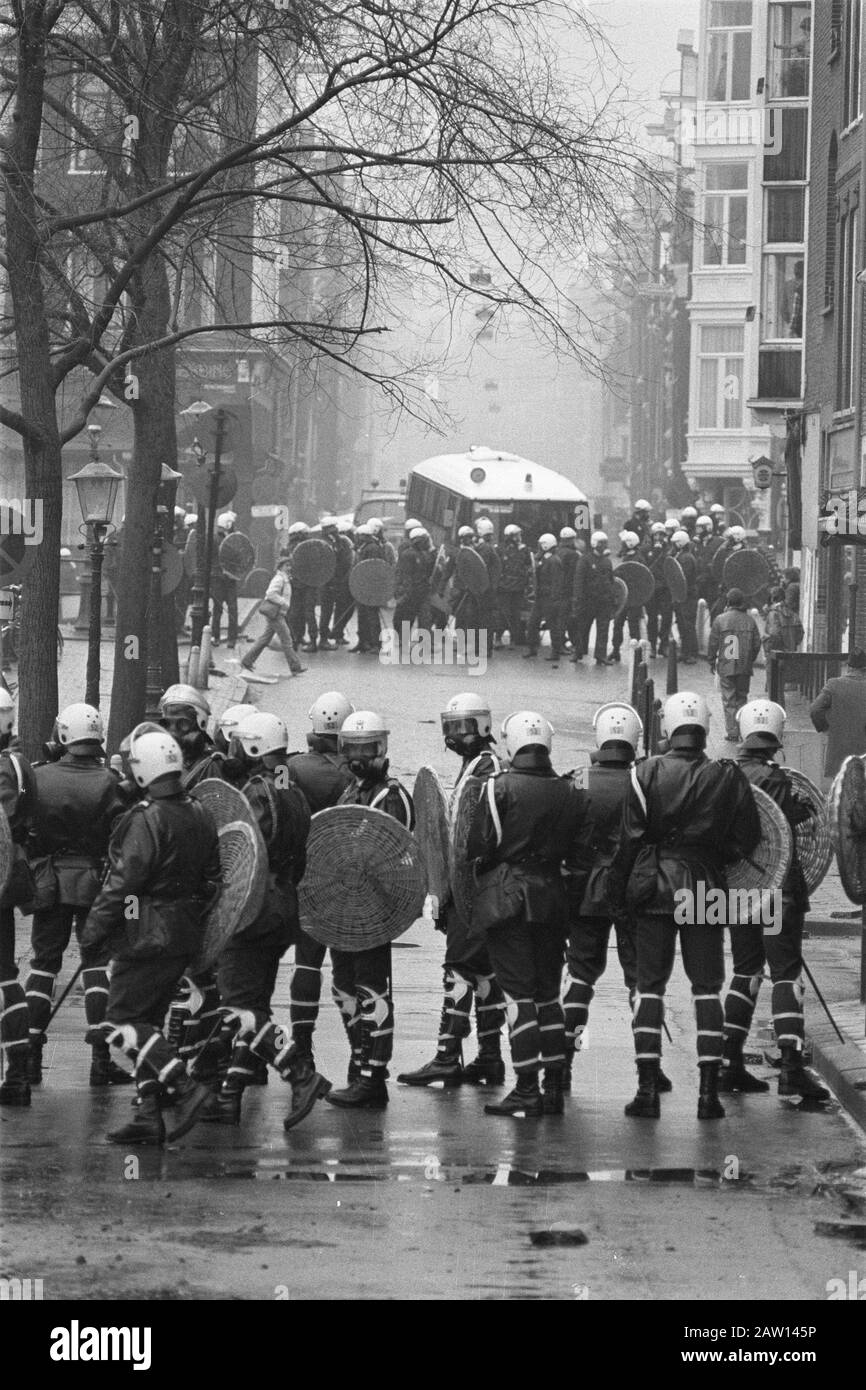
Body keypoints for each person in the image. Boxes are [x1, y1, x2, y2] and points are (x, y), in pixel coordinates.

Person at [606, 692, 761, 1122]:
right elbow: (747, 838)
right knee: (706, 987)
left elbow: (630, 840)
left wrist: (617, 893)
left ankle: (646, 1091)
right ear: (705, 728)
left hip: (655, 885)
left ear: (668, 728)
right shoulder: (727, 776)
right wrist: (713, 853)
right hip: (706, 886)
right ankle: (709, 1096)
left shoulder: (645, 772)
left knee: (650, 987)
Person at [79, 730, 221, 1145]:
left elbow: (124, 883)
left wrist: (93, 932)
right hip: (184, 930)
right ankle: (148, 1114)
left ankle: (185, 1087)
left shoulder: (146, 817)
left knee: (122, 1020)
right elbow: (213, 877)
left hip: (146, 934)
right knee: (149, 1027)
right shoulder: (200, 812)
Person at [202, 713, 331, 1129]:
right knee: (252, 1008)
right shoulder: (292, 789)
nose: (235, 749)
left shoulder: (258, 791)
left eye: (241, 743)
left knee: (240, 1007)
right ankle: (229, 1096)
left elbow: (242, 849)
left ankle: (300, 1073)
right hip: (283, 906)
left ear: (255, 747)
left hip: (253, 905)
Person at [466, 711, 586, 1117]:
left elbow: (478, 846)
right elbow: (580, 850)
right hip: (552, 899)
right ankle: (552, 1086)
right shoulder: (571, 790)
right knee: (548, 996)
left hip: (508, 900)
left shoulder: (497, 788)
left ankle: (525, 1087)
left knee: (518, 997)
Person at [719, 700, 828, 1102]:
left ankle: (729, 1063)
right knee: (785, 972)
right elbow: (788, 822)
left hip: (737, 890)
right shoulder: (778, 780)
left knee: (745, 969)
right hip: (778, 893)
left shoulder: (724, 775)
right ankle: (791, 1069)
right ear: (777, 735)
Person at [397, 694, 507, 1088]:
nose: (456, 735)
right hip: (477, 891)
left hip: (476, 890)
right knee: (484, 972)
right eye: (451, 727)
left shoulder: (487, 770)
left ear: (482, 726)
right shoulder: (477, 765)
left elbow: (473, 838)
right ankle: (490, 1057)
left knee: (460, 968)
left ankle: (447, 1055)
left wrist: (454, 891)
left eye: (464, 727)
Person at [563, 703, 672, 1096]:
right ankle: (649, 1069)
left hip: (587, 890)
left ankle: (564, 1064)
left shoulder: (578, 780)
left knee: (579, 977)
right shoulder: (646, 779)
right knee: (642, 980)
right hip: (634, 890)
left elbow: (563, 835)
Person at [24, 704, 128, 1088]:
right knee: (97, 964)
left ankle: (29, 1056)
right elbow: (122, 839)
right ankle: (101, 1060)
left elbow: (27, 831)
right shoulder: (111, 781)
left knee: (43, 965)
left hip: (49, 881)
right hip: (94, 882)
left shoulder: (39, 778)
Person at [326, 711, 415, 1109]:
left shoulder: (391, 795)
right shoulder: (350, 790)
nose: (360, 757)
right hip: (343, 905)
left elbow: (384, 852)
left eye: (368, 749)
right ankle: (359, 1058)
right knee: (343, 988)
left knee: (372, 992)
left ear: (381, 749)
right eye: (353, 749)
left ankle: (372, 1075)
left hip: (374, 908)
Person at [285, 692, 356, 1077]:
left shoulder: (291, 766)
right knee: (347, 969)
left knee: (307, 964)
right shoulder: (355, 770)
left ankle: (302, 1049)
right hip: (346, 880)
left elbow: (274, 801)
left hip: (306, 875)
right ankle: (361, 1057)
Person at [0, 689, 37, 1106]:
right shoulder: (19, 763)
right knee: (6, 973)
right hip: (8, 878)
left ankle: (16, 1072)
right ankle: (18, 1067)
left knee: (4, 975)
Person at [240, 551, 308, 677]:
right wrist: (283, 603)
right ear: (281, 567)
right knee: (287, 640)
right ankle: (295, 667)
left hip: (277, 613)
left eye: (289, 565)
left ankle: (246, 661)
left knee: (264, 639)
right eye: (287, 565)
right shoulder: (279, 579)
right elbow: (270, 593)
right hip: (276, 614)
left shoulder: (284, 579)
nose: (289, 568)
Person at [707, 587, 762, 741]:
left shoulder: (720, 619)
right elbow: (757, 644)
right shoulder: (750, 620)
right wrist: (749, 659)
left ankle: (732, 732)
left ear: (728, 602)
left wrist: (712, 660)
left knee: (728, 699)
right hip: (744, 666)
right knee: (742, 697)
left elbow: (713, 643)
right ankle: (743, 727)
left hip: (726, 665)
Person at [810, 647, 866, 778]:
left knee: (839, 793)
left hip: (839, 755)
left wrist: (825, 728)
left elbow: (815, 709)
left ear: (848, 667)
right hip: (864, 755)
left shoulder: (833, 685)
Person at [571, 531, 616, 666]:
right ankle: (578, 652)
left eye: (605, 543)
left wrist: (612, 599)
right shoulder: (585, 560)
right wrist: (578, 599)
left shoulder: (607, 561)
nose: (603, 546)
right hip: (588, 600)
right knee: (583, 628)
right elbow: (578, 581)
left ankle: (600, 655)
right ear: (594, 543)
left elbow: (610, 581)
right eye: (601, 543)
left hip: (603, 601)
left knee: (603, 629)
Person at [524, 533, 564, 664]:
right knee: (532, 623)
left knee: (553, 625)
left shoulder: (554, 561)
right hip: (540, 597)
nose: (539, 548)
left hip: (549, 598)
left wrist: (554, 599)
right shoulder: (544, 559)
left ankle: (555, 651)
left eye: (541, 545)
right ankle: (532, 648)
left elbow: (556, 582)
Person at [392, 527, 434, 650]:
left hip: (422, 591)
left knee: (425, 618)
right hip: (412, 592)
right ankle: (404, 641)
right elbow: (405, 575)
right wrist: (404, 592)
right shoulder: (408, 554)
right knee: (408, 617)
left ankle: (425, 643)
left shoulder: (425, 554)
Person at [495, 523, 534, 647]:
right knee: (502, 614)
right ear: (510, 536)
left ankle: (513, 639)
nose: (519, 537)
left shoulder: (524, 550)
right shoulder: (499, 549)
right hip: (503, 588)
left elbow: (529, 567)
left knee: (516, 615)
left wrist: (528, 583)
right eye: (517, 535)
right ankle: (498, 638)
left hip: (518, 588)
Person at [610, 530, 646, 663]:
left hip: (634, 598)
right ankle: (615, 650)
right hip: (623, 597)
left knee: (633, 625)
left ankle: (637, 653)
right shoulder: (623, 556)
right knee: (618, 623)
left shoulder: (639, 558)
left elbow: (642, 578)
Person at [351, 524, 386, 653]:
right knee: (362, 616)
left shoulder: (373, 548)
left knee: (372, 616)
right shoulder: (364, 547)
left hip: (370, 588)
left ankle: (375, 643)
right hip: (362, 587)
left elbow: (372, 568)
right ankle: (363, 642)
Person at [210, 511, 239, 650]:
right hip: (218, 578)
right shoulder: (215, 539)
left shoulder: (234, 539)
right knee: (218, 609)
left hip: (230, 578)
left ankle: (231, 638)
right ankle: (216, 636)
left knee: (232, 609)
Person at [670, 529, 699, 663]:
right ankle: (685, 651)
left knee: (688, 625)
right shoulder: (680, 556)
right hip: (681, 596)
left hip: (687, 596)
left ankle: (691, 653)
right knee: (682, 624)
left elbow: (683, 578)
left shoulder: (686, 558)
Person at [645, 522, 673, 658]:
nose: (659, 537)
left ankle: (664, 644)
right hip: (651, 588)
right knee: (652, 618)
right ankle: (652, 645)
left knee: (667, 616)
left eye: (661, 535)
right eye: (656, 534)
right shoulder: (646, 549)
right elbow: (643, 569)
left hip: (665, 589)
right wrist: (655, 552)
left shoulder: (669, 549)